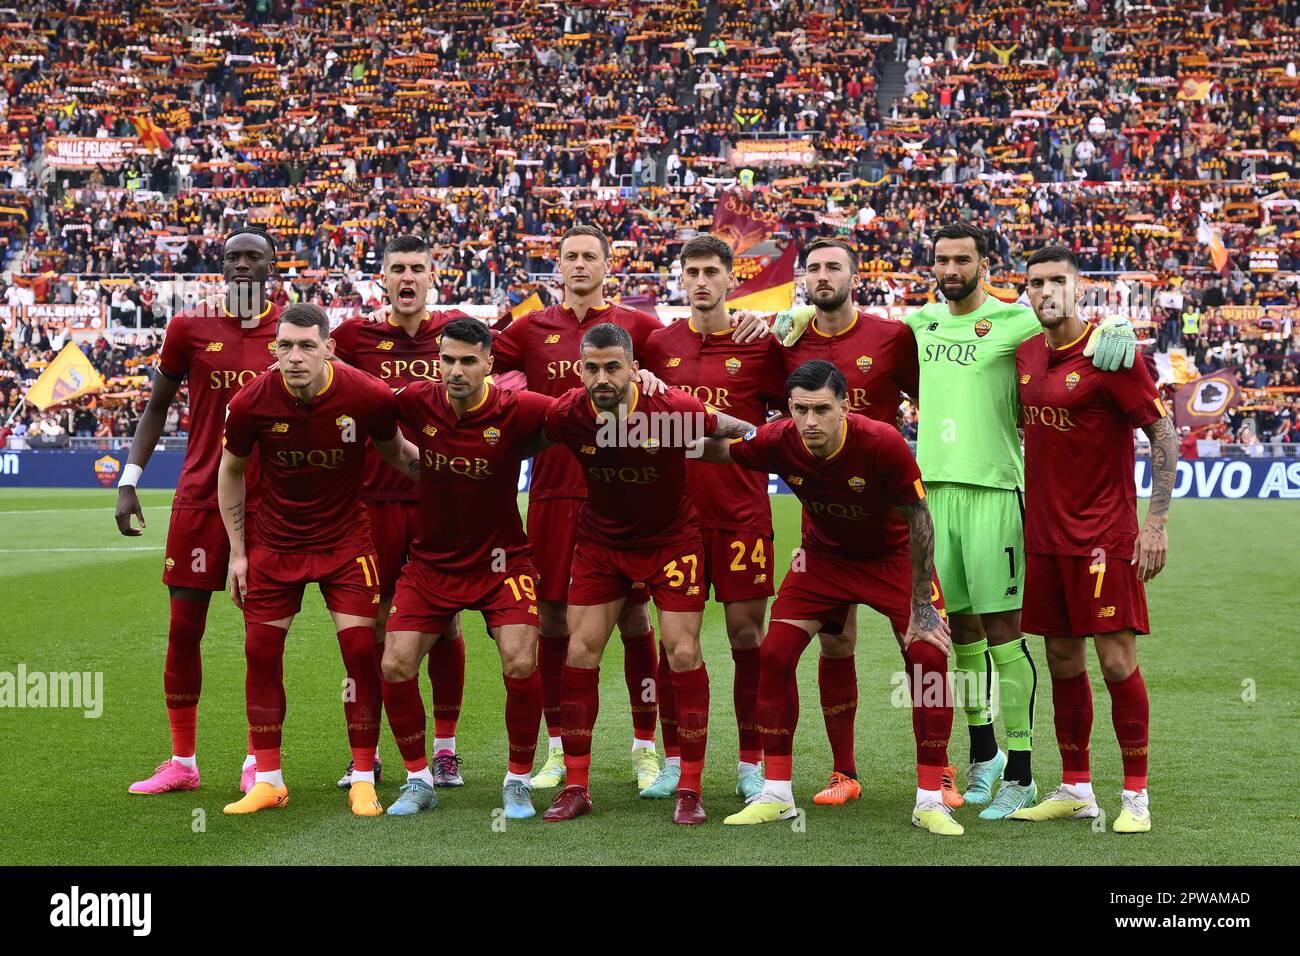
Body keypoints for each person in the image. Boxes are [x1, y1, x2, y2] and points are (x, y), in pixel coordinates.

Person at [491, 223, 768, 792]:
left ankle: (656, 749)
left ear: (608, 264)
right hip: (556, 492)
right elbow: (467, 356)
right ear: (558, 265)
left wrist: (770, 319)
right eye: (570, 256)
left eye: (590, 256)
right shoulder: (528, 329)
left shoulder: (646, 330)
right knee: (553, 621)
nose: (580, 266)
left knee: (657, 623)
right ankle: (556, 749)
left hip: (655, 504)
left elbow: (707, 409)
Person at [901, 221, 1135, 818]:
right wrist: (790, 319)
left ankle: (1023, 772)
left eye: (962, 260)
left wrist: (1118, 325)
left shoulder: (1017, 320)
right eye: (941, 260)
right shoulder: (919, 323)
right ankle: (985, 760)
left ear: (985, 265)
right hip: (932, 496)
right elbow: (853, 337)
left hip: (997, 492)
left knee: (1004, 630)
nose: (950, 269)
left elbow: (1069, 324)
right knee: (958, 634)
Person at [700, 360, 959, 835]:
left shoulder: (882, 442)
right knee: (774, 654)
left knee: (929, 657)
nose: (811, 421)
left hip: (893, 557)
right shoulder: (781, 438)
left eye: (822, 409)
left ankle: (930, 798)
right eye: (801, 409)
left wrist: (922, 604)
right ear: (790, 410)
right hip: (822, 560)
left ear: (844, 406)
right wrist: (651, 435)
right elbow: (720, 450)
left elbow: (920, 519)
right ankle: (777, 792)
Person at [539, 322, 756, 825]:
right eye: (591, 368)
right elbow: (515, 433)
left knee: (683, 651)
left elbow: (738, 429)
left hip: (672, 543)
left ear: (635, 368)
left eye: (613, 366)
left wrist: (764, 445)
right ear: (579, 370)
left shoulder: (674, 409)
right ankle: (576, 785)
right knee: (578, 649)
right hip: (601, 544)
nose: (602, 377)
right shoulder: (567, 413)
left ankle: (690, 787)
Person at [217, 303, 418, 817]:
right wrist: (238, 553)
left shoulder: (366, 394)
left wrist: (457, 483)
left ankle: (363, 776)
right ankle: (267, 780)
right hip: (275, 545)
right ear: (275, 350)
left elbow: (399, 454)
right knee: (260, 654)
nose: (295, 356)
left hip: (346, 543)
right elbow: (231, 470)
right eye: (285, 346)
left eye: (307, 345)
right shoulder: (251, 402)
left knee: (358, 654)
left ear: (329, 347)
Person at [1010, 246, 1174, 833]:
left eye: (1058, 281)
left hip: (1105, 534)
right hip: (1044, 536)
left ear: (1081, 289)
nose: (1046, 291)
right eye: (1036, 283)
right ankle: (1077, 787)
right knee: (1060, 658)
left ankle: (1135, 796)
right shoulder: (1025, 351)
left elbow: (1163, 434)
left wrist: (1154, 522)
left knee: (1115, 660)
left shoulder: (1114, 354)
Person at [118, 227, 284, 796]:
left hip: (270, 503)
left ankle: (256, 759)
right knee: (184, 628)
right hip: (199, 497)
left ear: (270, 265)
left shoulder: (291, 333)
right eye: (233, 257)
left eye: (253, 257)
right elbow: (156, 407)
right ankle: (182, 761)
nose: (242, 265)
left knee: (261, 636)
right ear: (221, 265)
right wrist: (129, 478)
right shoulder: (188, 328)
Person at [379, 319, 551, 819]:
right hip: (431, 560)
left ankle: (518, 780)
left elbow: (578, 412)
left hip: (503, 562)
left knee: (520, 662)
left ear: (489, 364)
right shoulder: (416, 400)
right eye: (448, 359)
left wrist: (643, 384)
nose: (456, 370)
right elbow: (368, 409)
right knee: (394, 663)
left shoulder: (518, 408)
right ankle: (418, 779)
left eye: (468, 360)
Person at [771, 237, 922, 806]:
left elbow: (932, 399)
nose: (823, 275)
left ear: (855, 276)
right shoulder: (787, 339)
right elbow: (768, 410)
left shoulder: (891, 336)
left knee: (920, 645)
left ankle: (940, 770)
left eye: (834, 266)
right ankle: (844, 772)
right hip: (827, 531)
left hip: (893, 527)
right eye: (813, 268)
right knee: (836, 646)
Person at [640, 234, 786, 802]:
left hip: (742, 513)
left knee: (749, 636)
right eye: (691, 272)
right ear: (681, 279)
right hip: (674, 516)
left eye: (710, 272)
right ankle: (675, 761)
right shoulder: (657, 344)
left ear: (731, 279)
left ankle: (751, 763)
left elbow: (785, 413)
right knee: (676, 643)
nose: (700, 282)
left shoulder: (761, 345)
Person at [331, 234, 475, 789]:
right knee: (368, 626)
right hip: (372, 503)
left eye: (418, 267)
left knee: (446, 622)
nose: (408, 277)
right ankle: (364, 752)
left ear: (432, 275)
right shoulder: (352, 337)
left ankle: (445, 751)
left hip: (444, 503)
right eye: (398, 269)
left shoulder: (458, 332)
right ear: (382, 279)